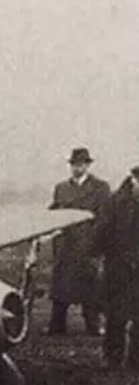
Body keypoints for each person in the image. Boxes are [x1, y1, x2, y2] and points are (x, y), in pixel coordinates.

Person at [48, 147, 111, 335]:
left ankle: (93, 326)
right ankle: (56, 326)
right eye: (75, 164)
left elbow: (105, 217)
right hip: (65, 244)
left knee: (89, 287)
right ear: (71, 166)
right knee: (60, 287)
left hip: (87, 245)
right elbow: (53, 213)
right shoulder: (61, 188)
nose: (78, 168)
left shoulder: (101, 188)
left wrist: (98, 243)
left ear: (88, 165)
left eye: (82, 164)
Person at [92, 164, 139, 369]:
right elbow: (101, 232)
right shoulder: (115, 202)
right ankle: (112, 357)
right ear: (134, 179)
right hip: (118, 267)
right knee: (115, 315)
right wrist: (97, 254)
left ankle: (135, 360)